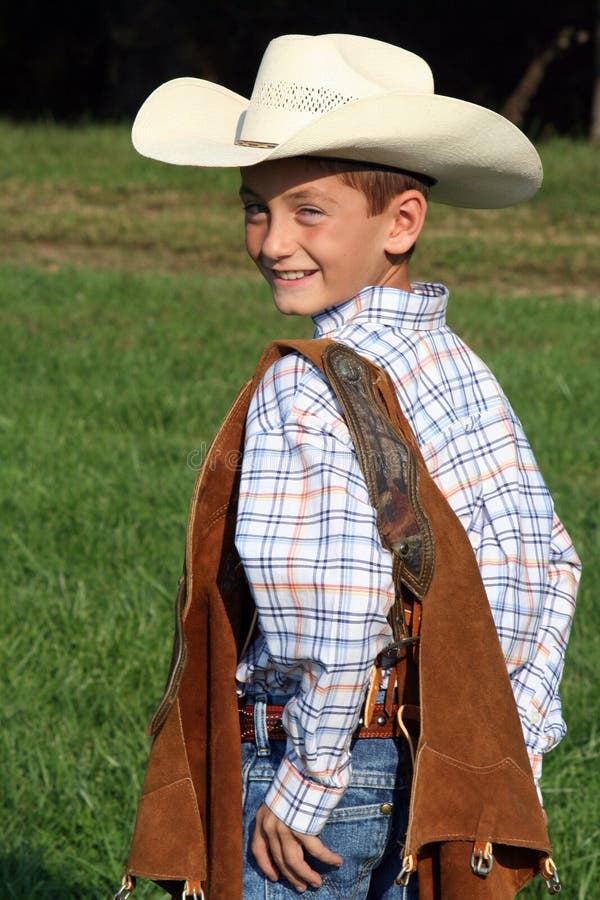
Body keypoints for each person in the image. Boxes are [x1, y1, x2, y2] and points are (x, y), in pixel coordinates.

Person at [130, 33, 580, 898]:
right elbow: (548, 559)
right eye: (253, 207)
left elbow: (331, 610)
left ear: (402, 221)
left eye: (307, 211)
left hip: (312, 768)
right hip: (425, 769)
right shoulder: (459, 367)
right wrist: (506, 747)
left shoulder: (301, 384)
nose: (269, 242)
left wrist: (303, 789)